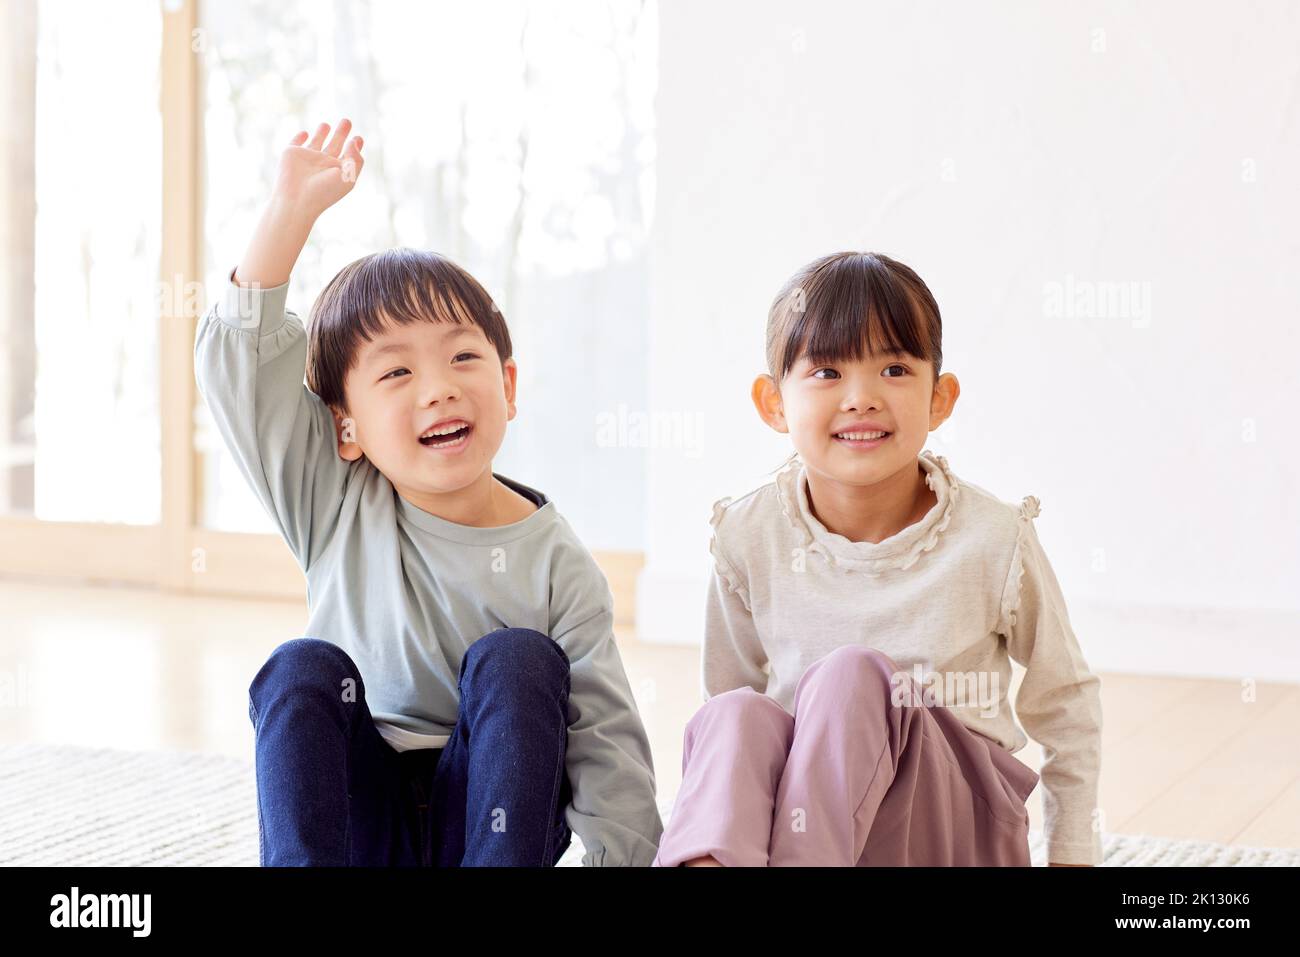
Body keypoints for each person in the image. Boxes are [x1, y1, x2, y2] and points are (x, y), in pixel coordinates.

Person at [194, 118, 662, 866]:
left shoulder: (556, 561)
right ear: (345, 428)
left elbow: (607, 739)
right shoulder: (332, 499)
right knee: (299, 667)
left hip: (491, 828)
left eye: (463, 356)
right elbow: (242, 370)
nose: (439, 389)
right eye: (396, 372)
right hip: (362, 829)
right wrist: (289, 213)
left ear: (508, 387)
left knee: (519, 660)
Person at [653, 251, 1103, 867]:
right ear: (774, 404)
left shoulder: (993, 539)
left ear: (939, 399)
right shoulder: (747, 533)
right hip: (813, 828)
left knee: (852, 677)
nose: (861, 398)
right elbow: (728, 707)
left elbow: (1066, 699)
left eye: (893, 368)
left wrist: (1072, 854)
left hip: (952, 830)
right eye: (827, 372)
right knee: (733, 716)